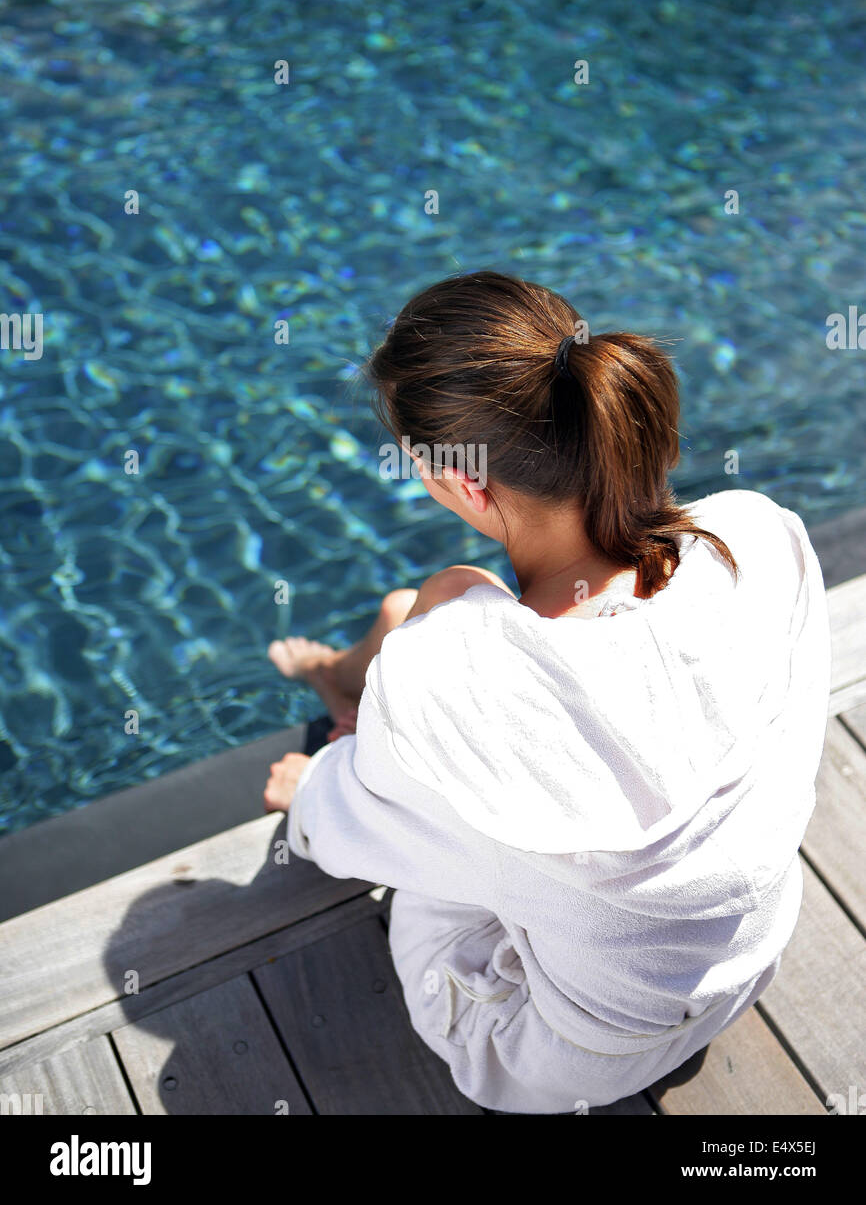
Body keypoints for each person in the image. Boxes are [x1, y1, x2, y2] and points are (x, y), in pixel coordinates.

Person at [263, 270, 831, 1114]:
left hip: (549, 1052)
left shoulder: (463, 687)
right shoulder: (756, 537)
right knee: (429, 626)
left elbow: (350, 839)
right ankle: (356, 690)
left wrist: (309, 795)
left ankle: (344, 699)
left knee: (429, 616)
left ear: (466, 485)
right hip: (739, 964)